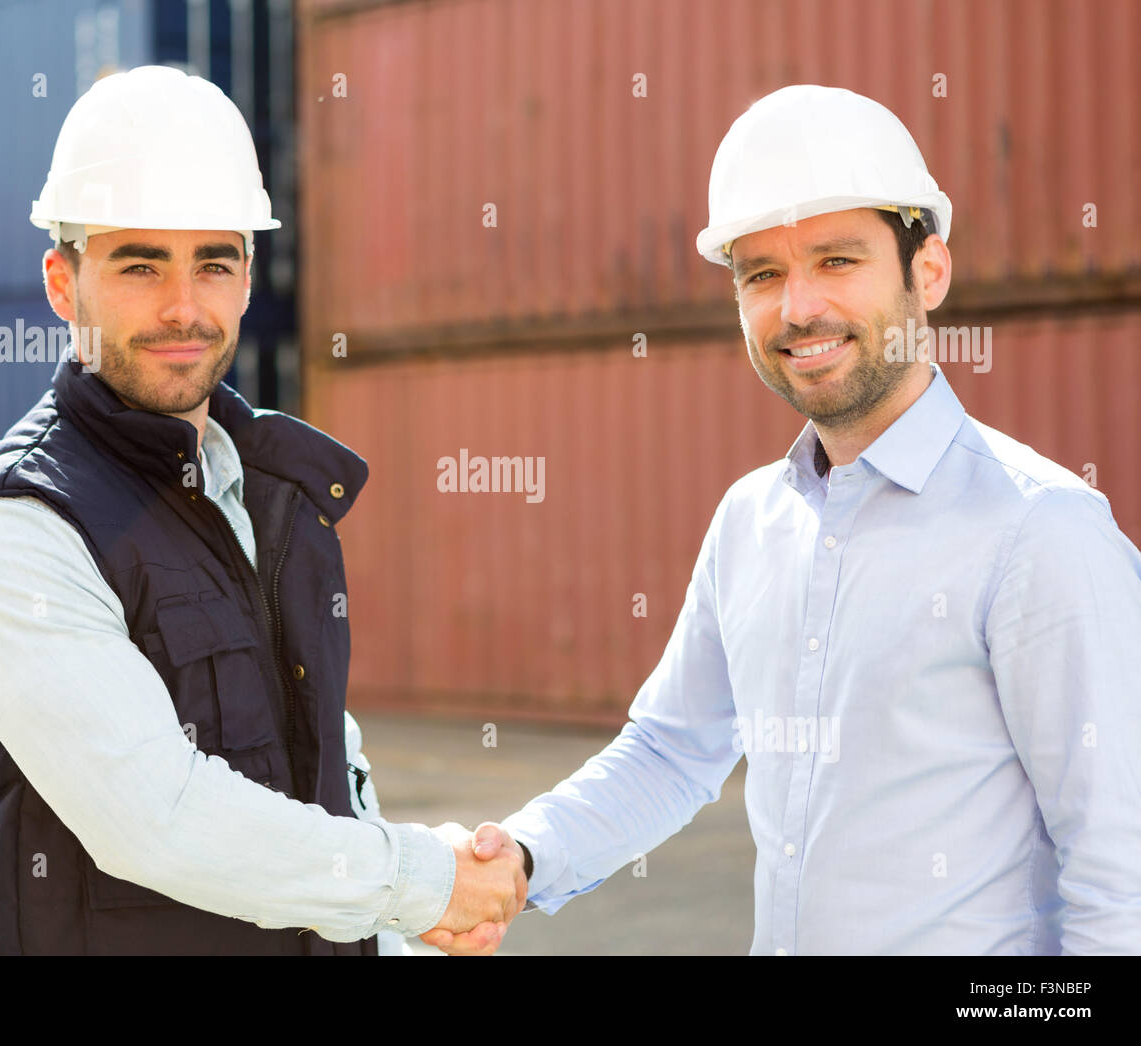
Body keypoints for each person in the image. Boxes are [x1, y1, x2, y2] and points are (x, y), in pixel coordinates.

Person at [429, 84, 1141, 956]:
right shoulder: (748, 522)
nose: (798, 308)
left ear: (929, 273)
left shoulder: (1044, 533)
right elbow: (671, 751)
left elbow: (1120, 873)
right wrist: (521, 858)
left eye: (837, 261)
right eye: (762, 274)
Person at [0, 65, 524, 955]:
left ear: (246, 279)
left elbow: (329, 764)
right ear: (61, 284)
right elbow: (158, 815)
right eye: (140, 264)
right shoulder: (10, 529)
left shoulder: (265, 490)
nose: (183, 306)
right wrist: (425, 881)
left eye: (213, 263)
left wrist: (400, 924)